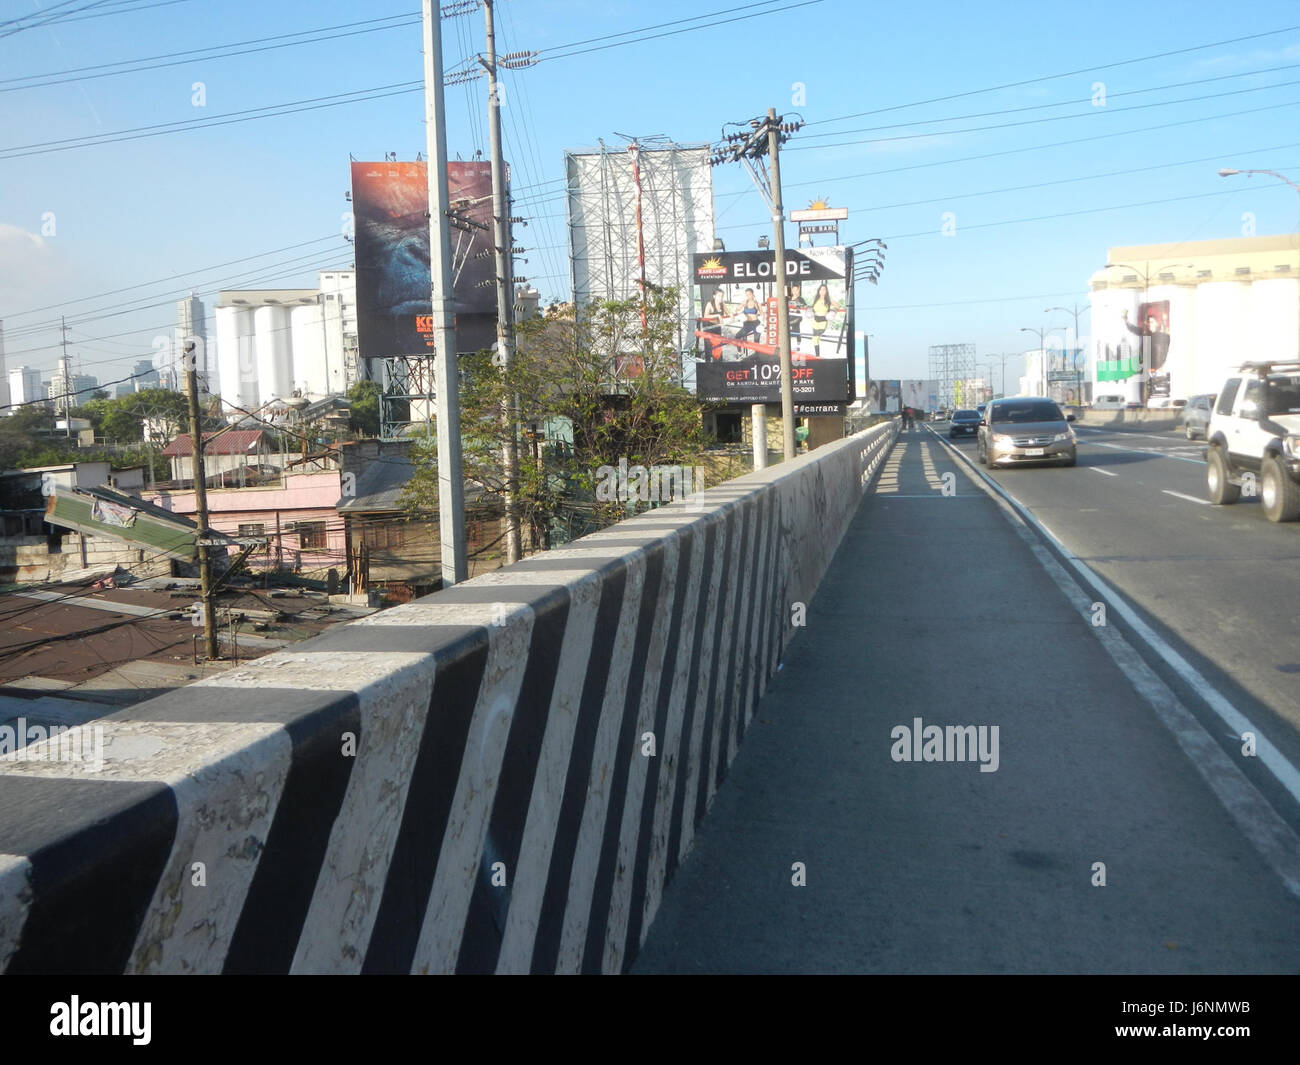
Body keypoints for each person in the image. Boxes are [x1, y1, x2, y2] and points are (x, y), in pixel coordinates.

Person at [810, 283, 842, 356]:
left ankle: (818, 356)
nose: (822, 291)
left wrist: (833, 311)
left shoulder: (828, 299)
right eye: (821, 289)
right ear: (818, 291)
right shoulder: (816, 299)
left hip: (823, 321)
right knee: (815, 339)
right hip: (815, 321)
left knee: (817, 336)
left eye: (824, 290)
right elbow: (812, 309)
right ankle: (817, 355)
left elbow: (838, 306)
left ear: (826, 291)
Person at [700, 290, 728, 360]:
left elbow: (729, 313)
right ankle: (708, 363)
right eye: (719, 296)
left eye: (722, 296)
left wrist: (732, 315)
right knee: (710, 348)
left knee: (718, 348)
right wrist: (718, 315)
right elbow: (705, 316)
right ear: (714, 296)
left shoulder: (722, 304)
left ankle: (718, 364)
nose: (720, 298)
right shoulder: (710, 304)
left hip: (718, 328)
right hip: (709, 328)